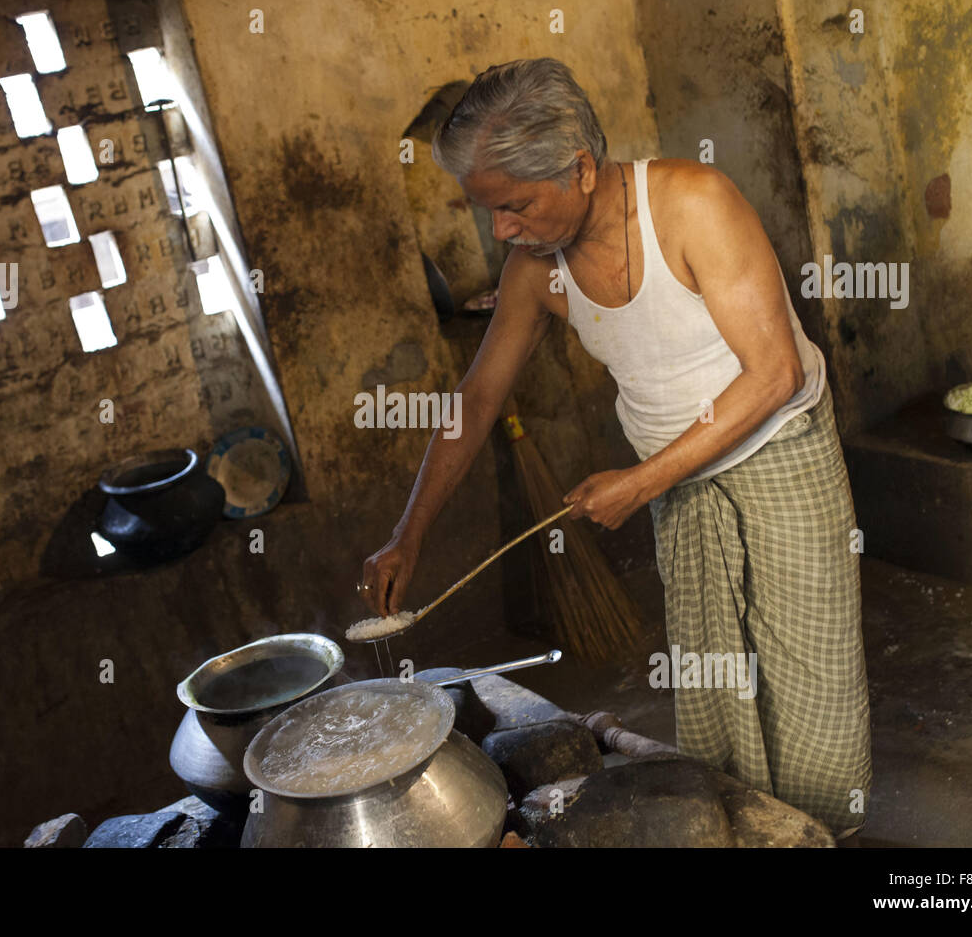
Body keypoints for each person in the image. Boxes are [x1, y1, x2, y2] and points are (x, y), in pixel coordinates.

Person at [358, 57, 871, 838]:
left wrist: (638, 483)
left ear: (582, 167)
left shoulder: (693, 205)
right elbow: (477, 400)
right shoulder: (537, 269)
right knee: (716, 683)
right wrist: (409, 532)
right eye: (488, 210)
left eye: (516, 206)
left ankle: (824, 835)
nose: (503, 230)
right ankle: (741, 831)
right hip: (681, 480)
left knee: (809, 679)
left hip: (779, 455)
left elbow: (774, 374)